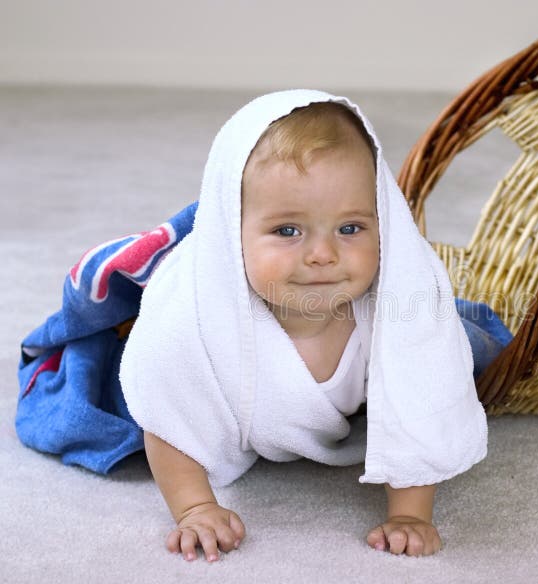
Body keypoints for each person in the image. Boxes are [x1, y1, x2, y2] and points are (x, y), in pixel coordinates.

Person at [116, 90, 496, 561]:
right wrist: (195, 507)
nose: (322, 254)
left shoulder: (399, 315)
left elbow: (424, 398)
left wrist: (411, 515)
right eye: (287, 231)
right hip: (223, 400)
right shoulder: (194, 319)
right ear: (231, 231)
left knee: (472, 340)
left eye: (351, 228)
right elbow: (169, 413)